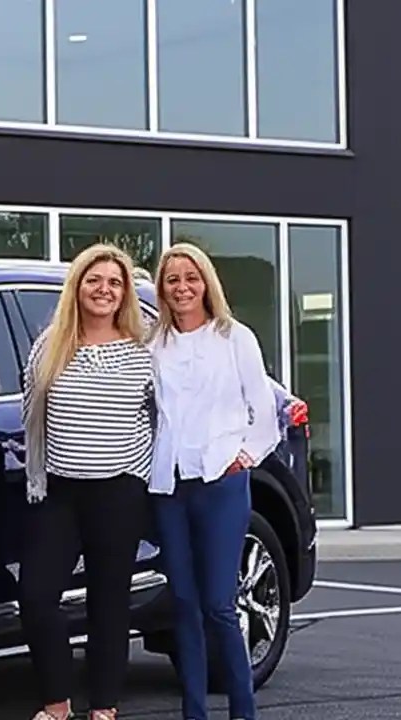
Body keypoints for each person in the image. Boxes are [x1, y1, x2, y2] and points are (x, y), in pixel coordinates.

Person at [18, 243, 156, 720]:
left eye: (115, 283)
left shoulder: (146, 349)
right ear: (76, 287)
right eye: (94, 281)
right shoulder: (51, 345)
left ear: (125, 294)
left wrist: (143, 472)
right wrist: (36, 474)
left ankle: (104, 708)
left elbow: (167, 418)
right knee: (36, 596)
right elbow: (32, 415)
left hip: (119, 491)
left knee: (108, 602)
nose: (104, 290)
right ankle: (57, 706)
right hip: (59, 491)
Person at [145, 242, 280, 720]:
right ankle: (194, 712)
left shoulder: (234, 337)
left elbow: (264, 412)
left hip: (220, 483)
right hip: (169, 487)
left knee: (220, 604)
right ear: (162, 289)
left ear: (206, 283)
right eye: (172, 280)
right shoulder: (152, 343)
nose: (182, 287)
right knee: (182, 602)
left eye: (191, 278)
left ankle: (243, 711)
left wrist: (243, 456)